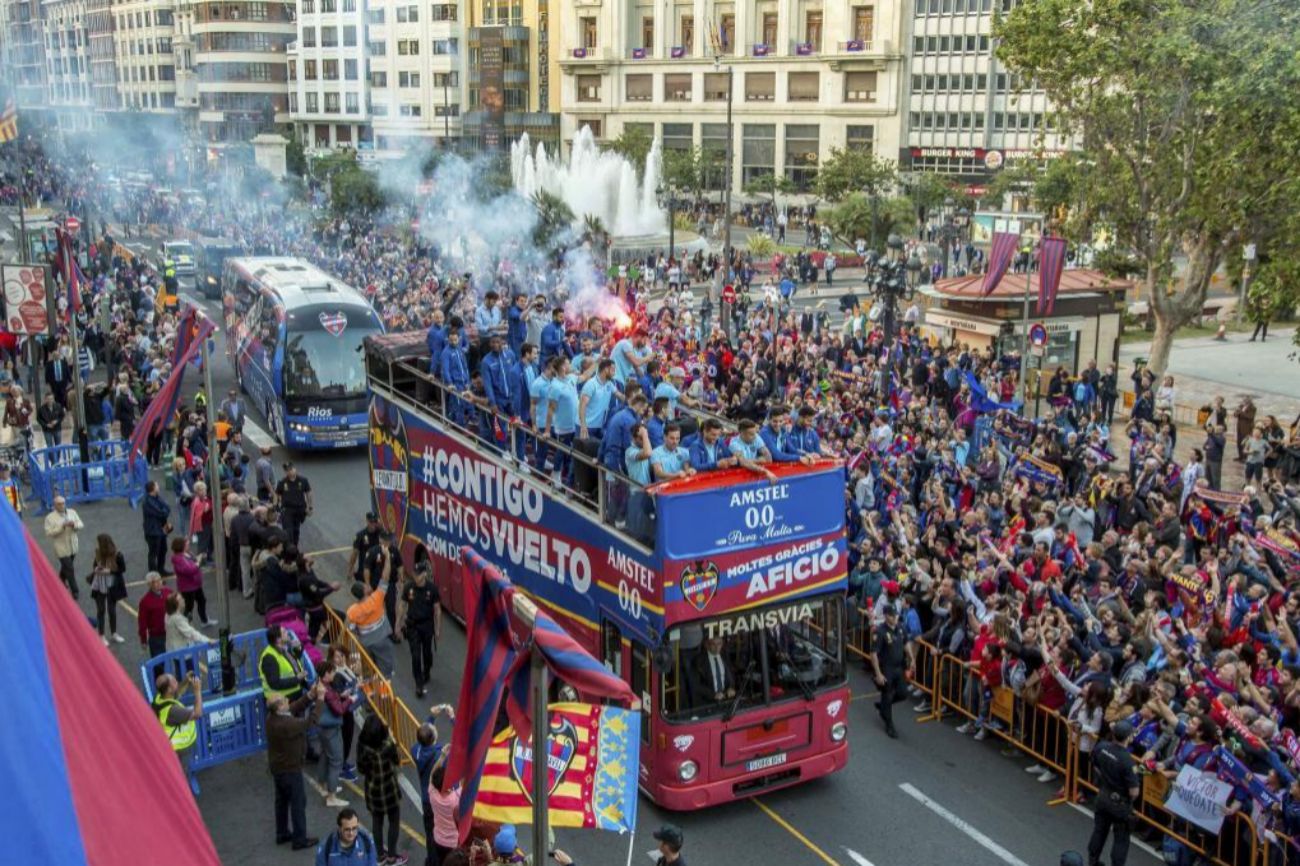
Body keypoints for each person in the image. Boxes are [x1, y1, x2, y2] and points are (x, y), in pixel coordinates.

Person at [267, 681, 325, 850]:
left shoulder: (272, 718)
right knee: (298, 803)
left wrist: (310, 695)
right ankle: (299, 839)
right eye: (284, 701)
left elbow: (293, 708)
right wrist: (320, 699)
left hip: (278, 767)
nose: (287, 701)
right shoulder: (288, 724)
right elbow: (311, 722)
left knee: (282, 801)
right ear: (279, 708)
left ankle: (282, 832)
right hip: (290, 768)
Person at [1087, 720, 1138, 866]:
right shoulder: (1127, 761)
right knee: (1121, 839)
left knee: (1099, 830)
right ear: (1128, 737)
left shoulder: (1102, 747)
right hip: (1120, 804)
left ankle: (1093, 860)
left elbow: (1094, 763)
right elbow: (1134, 792)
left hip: (1103, 796)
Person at [357, 713, 407, 865]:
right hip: (389, 789)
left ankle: (380, 856)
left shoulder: (363, 747)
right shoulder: (388, 745)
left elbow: (361, 769)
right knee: (394, 821)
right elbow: (397, 760)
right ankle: (392, 855)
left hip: (373, 791)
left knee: (377, 822)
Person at [151, 671, 202, 796]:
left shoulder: (159, 699)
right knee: (181, 776)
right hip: (180, 750)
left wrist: (185, 681)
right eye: (174, 681)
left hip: (170, 747)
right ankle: (182, 796)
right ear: (168, 689)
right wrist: (197, 692)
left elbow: (177, 692)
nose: (176, 682)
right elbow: (198, 713)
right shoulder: (173, 711)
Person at [397, 561, 442, 698]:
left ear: (424, 574)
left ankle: (427, 671)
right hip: (413, 626)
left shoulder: (432, 589)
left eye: (417, 574)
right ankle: (419, 683)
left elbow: (437, 610)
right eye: (414, 574)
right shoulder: (409, 587)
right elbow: (402, 605)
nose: (415, 576)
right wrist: (397, 624)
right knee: (415, 655)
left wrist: (437, 628)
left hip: (427, 626)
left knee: (427, 653)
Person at [868, 603, 911, 739]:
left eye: (896, 615)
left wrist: (912, 657)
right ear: (886, 616)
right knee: (887, 693)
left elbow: (906, 643)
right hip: (886, 668)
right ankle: (889, 724)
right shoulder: (880, 632)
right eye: (892, 615)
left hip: (899, 666)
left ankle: (883, 707)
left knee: (903, 693)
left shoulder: (900, 628)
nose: (895, 617)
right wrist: (879, 674)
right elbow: (873, 653)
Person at [88, 533, 127, 645]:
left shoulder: (118, 555)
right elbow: (94, 565)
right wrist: (97, 568)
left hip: (112, 584)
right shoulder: (98, 553)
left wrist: (109, 571)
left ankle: (114, 633)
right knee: (101, 610)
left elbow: (122, 569)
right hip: (99, 584)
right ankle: (101, 635)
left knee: (111, 610)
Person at [43, 494, 84, 598]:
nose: (62, 505)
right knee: (69, 568)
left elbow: (81, 524)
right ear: (55, 505)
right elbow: (49, 533)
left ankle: (60, 580)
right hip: (61, 548)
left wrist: (74, 525)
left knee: (66, 567)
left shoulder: (72, 512)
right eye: (59, 504)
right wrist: (62, 527)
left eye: (63, 503)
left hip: (73, 545)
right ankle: (75, 591)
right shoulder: (50, 518)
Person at [260, 623, 310, 703]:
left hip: (295, 691)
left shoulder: (283, 647)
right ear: (278, 639)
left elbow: (294, 660)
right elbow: (275, 683)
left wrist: (298, 648)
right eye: (284, 632)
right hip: (282, 699)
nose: (287, 633)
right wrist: (297, 678)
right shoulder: (269, 658)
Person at [171, 536, 215, 628]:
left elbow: (193, 560)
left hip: (195, 584)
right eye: (186, 544)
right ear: (181, 546)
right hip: (187, 587)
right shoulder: (178, 559)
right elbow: (189, 569)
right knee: (188, 607)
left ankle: (204, 620)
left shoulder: (188, 554)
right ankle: (185, 625)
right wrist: (198, 562)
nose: (188, 546)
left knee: (202, 601)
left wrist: (199, 557)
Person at [276, 462, 313, 547]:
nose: (290, 472)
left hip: (299, 509)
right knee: (288, 531)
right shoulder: (282, 482)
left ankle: (294, 548)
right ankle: (288, 548)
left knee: (296, 530)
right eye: (287, 470)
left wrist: (310, 507)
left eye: (291, 469)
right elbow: (277, 494)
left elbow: (309, 493)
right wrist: (276, 506)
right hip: (287, 510)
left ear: (295, 469)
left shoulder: (303, 480)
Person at [142, 480, 173, 574]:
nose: (158, 487)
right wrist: (164, 512)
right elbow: (161, 512)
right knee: (153, 553)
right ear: (153, 488)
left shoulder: (157, 497)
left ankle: (161, 569)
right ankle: (154, 575)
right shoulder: (148, 502)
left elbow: (167, 508)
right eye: (157, 486)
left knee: (163, 549)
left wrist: (164, 512)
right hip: (152, 531)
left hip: (161, 529)